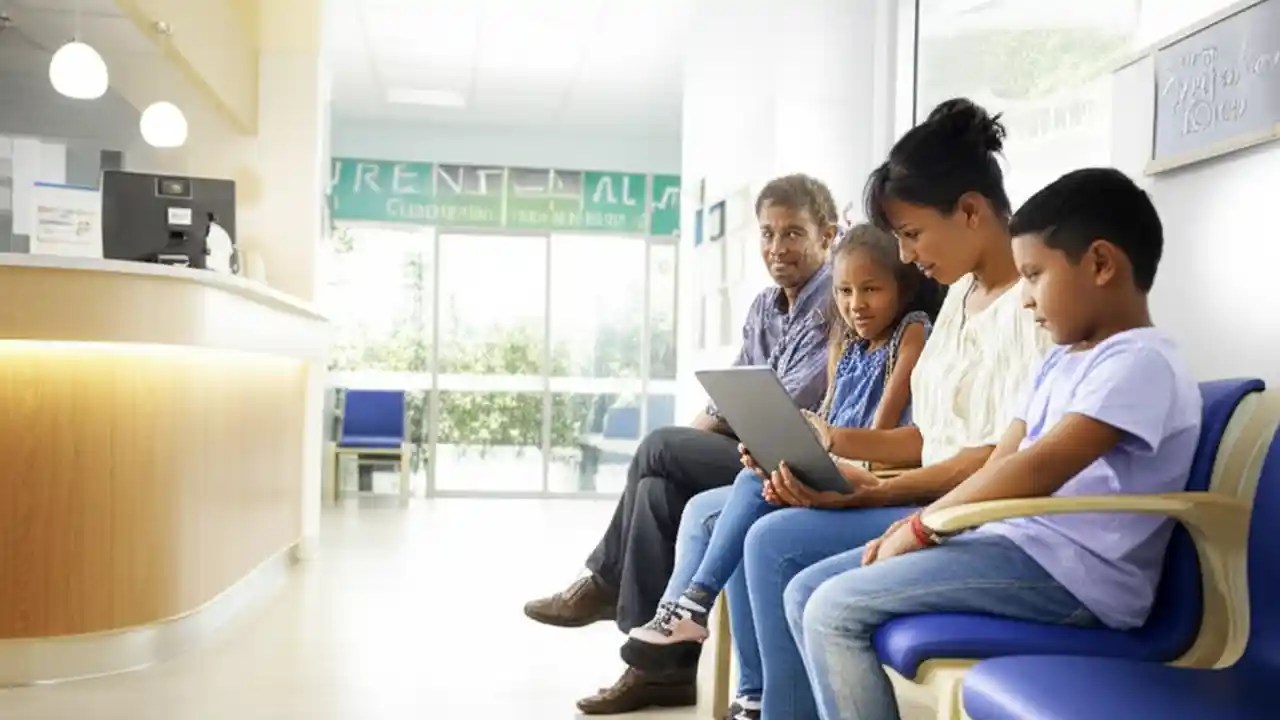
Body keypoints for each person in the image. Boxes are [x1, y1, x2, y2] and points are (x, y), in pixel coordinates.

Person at [787, 167, 1199, 720]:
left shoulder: (1142, 362)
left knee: (833, 609)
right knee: (804, 591)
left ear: (1100, 264)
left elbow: (1040, 467)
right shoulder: (1062, 360)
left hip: (1073, 576)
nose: (1026, 300)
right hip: (1012, 546)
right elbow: (1007, 455)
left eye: (1034, 275)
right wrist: (922, 520)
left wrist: (920, 526)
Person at [702, 98, 1052, 720]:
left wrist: (874, 494)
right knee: (761, 522)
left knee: (774, 543)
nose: (908, 256)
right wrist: (830, 442)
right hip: (927, 495)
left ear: (970, 211)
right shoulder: (962, 298)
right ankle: (768, 702)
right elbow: (932, 436)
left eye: (912, 235)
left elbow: (1000, 457)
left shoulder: (1038, 304)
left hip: (970, 516)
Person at [523, 174, 839, 715]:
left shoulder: (836, 300)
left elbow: (784, 405)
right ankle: (657, 672)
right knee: (655, 489)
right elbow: (737, 391)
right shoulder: (766, 307)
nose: (776, 248)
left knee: (658, 447)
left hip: (782, 463)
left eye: (793, 233)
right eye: (767, 234)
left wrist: (682, 443)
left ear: (827, 235)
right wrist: (685, 447)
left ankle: (603, 582)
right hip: (746, 454)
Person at [619, 223, 941, 681]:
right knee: (706, 505)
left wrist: (823, 442)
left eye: (871, 289)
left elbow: (882, 431)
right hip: (834, 467)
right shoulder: (844, 344)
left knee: (751, 497)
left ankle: (693, 605)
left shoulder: (912, 333)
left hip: (869, 477)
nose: (857, 304)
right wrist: (784, 446)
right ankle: (714, 649)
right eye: (845, 291)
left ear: (902, 287)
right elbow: (828, 416)